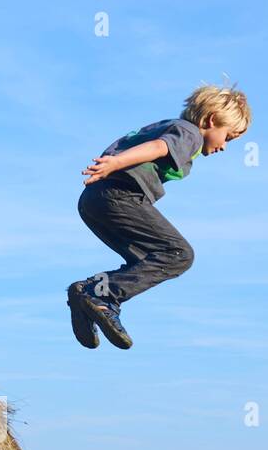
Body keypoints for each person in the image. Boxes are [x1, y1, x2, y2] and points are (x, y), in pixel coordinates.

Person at [67, 84, 251, 349]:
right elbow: (158, 147)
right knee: (178, 254)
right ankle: (100, 296)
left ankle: (89, 293)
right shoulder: (191, 134)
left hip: (93, 201)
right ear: (211, 120)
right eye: (228, 137)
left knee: (146, 262)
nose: (224, 147)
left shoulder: (173, 125)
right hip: (119, 195)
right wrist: (117, 163)